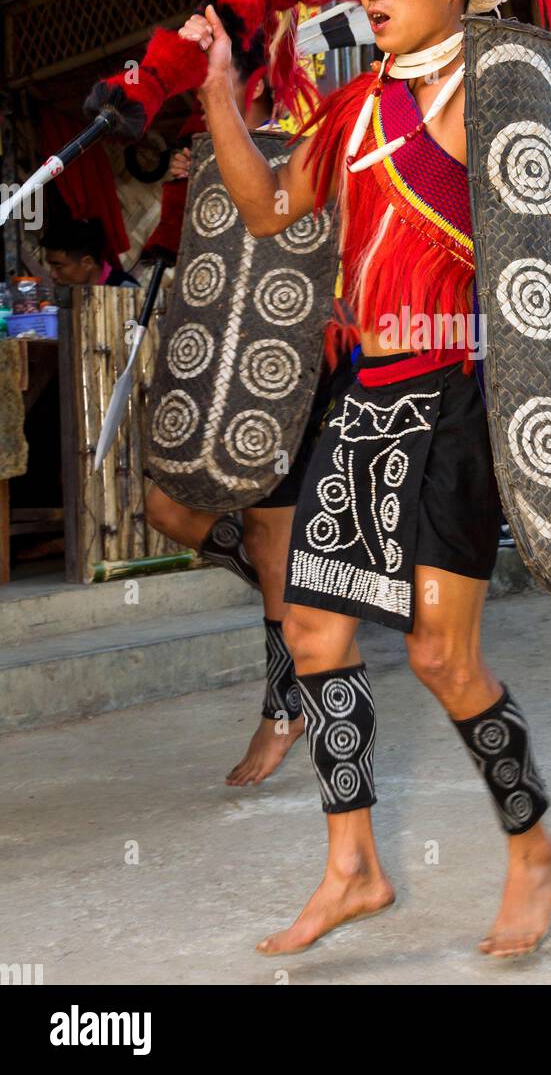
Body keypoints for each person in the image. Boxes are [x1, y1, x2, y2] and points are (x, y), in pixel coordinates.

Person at [177, 0, 551, 959]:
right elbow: (269, 212)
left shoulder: (498, 93)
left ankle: (531, 845)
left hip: (460, 399)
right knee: (313, 631)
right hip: (364, 399)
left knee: (444, 658)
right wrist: (218, 90)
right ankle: (352, 864)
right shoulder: (347, 113)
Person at [144, 48, 356, 786]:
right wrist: (183, 191)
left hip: (295, 360)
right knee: (165, 504)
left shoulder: (318, 140)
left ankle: (282, 706)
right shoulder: (210, 148)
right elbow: (189, 254)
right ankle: (298, 590)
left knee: (271, 540)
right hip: (221, 367)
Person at [42, 216, 139, 287]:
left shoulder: (126, 291)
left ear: (87, 263)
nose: (52, 275)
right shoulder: (72, 291)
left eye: (58, 267)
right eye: (51, 267)